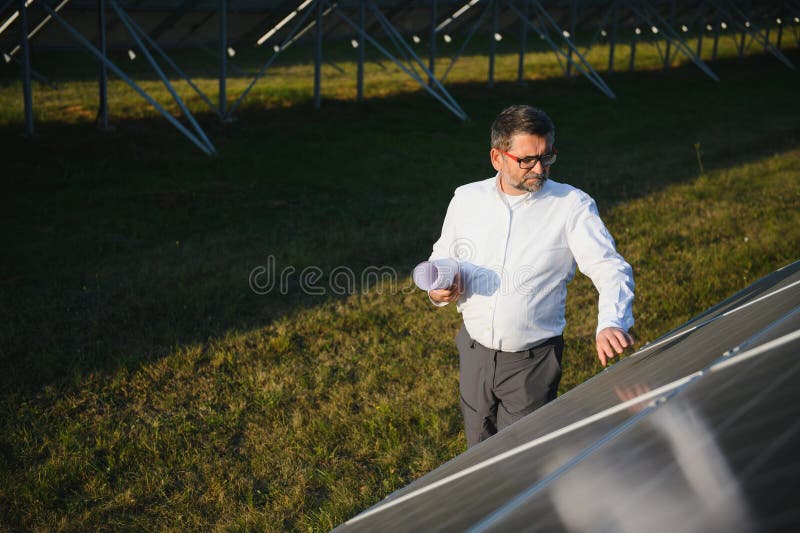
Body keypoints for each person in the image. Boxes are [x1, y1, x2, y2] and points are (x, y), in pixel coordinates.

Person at [427, 104, 635, 448]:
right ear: (497, 157)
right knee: (477, 453)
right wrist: (438, 291)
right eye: (527, 160)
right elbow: (441, 257)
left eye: (547, 157)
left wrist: (612, 321)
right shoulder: (466, 199)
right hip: (474, 352)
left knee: (522, 458)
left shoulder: (572, 206)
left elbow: (609, 267)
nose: (539, 169)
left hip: (531, 363)